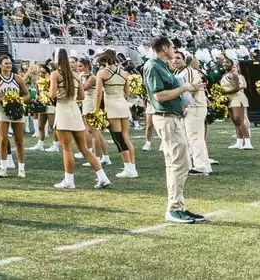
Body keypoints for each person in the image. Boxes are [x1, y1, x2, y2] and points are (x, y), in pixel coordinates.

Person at [142, 37, 206, 224]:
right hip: (166, 117)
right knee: (179, 163)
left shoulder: (160, 65)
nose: (174, 50)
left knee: (178, 163)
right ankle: (174, 207)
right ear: (164, 48)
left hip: (172, 116)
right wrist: (184, 88)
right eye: (171, 47)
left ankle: (178, 205)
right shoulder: (153, 66)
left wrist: (188, 90)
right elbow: (159, 95)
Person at [48, 47, 110, 191]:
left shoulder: (55, 74)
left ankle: (69, 181)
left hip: (63, 111)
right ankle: (103, 177)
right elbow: (81, 96)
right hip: (75, 112)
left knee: (67, 149)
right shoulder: (76, 75)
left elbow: (51, 94)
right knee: (84, 149)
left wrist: (55, 93)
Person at [92, 50, 139, 178]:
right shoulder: (124, 72)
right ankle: (132, 167)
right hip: (123, 105)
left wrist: (96, 110)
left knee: (117, 137)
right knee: (126, 137)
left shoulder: (102, 73)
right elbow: (127, 93)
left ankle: (128, 167)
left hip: (112, 106)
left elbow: (98, 94)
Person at [173, 51, 212, 176]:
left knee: (195, 137)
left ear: (185, 60)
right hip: (189, 107)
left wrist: (182, 104)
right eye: (173, 58)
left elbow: (192, 89)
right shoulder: (177, 72)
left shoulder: (189, 71)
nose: (175, 61)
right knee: (190, 137)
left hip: (194, 106)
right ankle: (196, 163)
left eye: (178, 58)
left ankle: (201, 166)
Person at [219, 58, 253, 150]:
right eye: (223, 62)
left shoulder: (233, 74)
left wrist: (223, 92)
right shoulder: (224, 75)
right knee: (235, 121)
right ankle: (239, 142)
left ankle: (248, 143)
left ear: (231, 64)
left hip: (237, 98)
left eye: (227, 62)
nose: (225, 64)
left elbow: (236, 88)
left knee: (239, 120)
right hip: (229, 99)